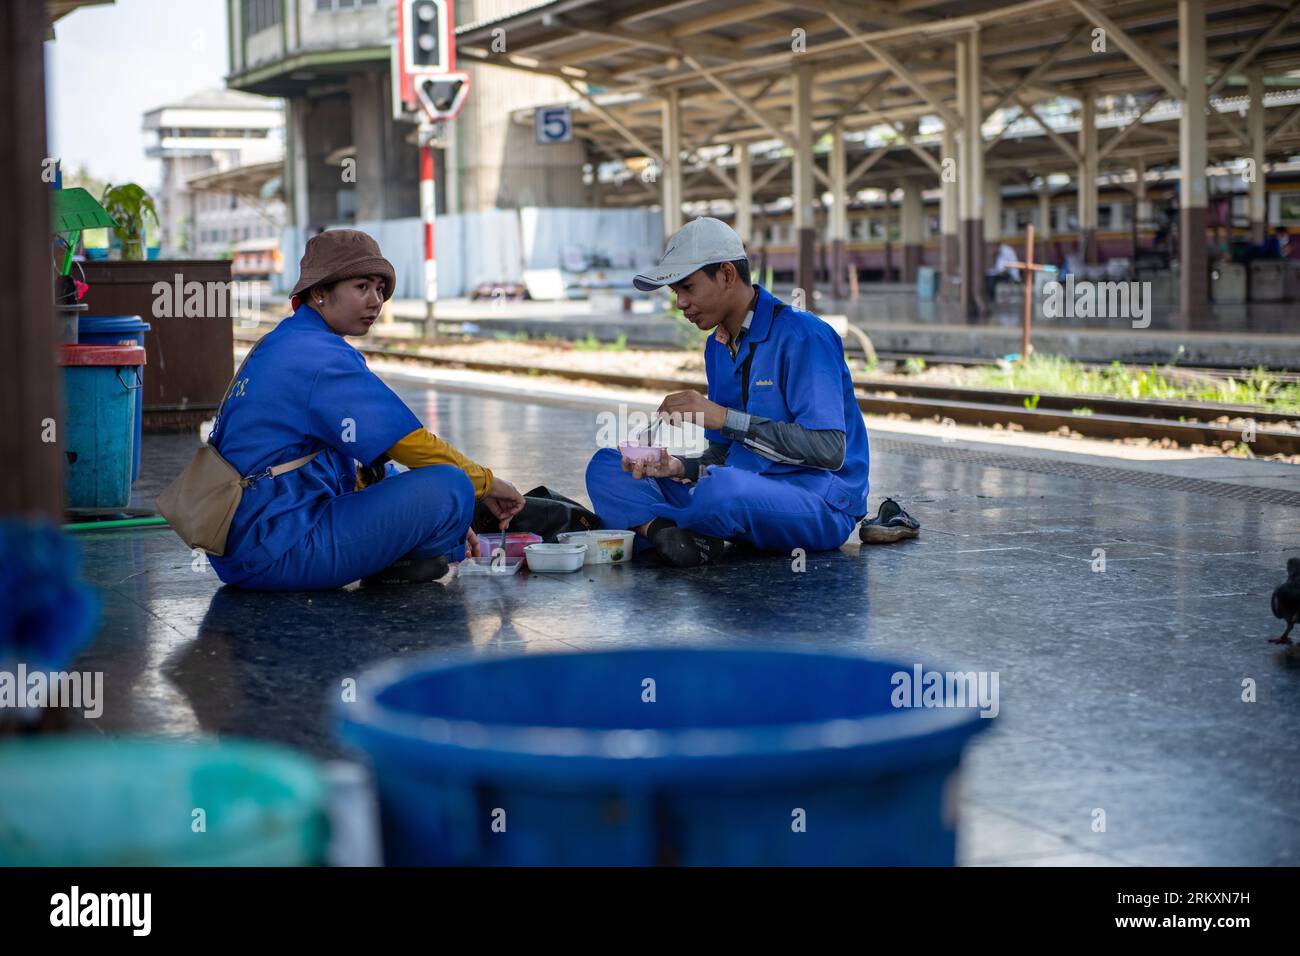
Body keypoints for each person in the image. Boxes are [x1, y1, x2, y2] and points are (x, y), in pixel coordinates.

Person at [206, 229, 524, 590]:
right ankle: (406, 558)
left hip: (243, 549)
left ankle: (407, 548)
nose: (375, 301)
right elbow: (411, 444)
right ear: (320, 293)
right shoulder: (320, 356)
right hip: (281, 550)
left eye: (379, 289)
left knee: (414, 484)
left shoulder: (281, 342)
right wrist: (487, 484)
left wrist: (421, 509)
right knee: (450, 486)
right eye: (361, 287)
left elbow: (353, 459)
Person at [584, 217, 870, 567]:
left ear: (726, 275)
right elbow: (726, 455)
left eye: (687, 287)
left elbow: (830, 451)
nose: (680, 303)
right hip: (741, 486)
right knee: (608, 465)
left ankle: (667, 527)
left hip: (817, 500)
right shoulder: (717, 347)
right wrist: (676, 465)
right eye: (676, 293)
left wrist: (723, 418)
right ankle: (666, 533)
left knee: (723, 491)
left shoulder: (804, 336)